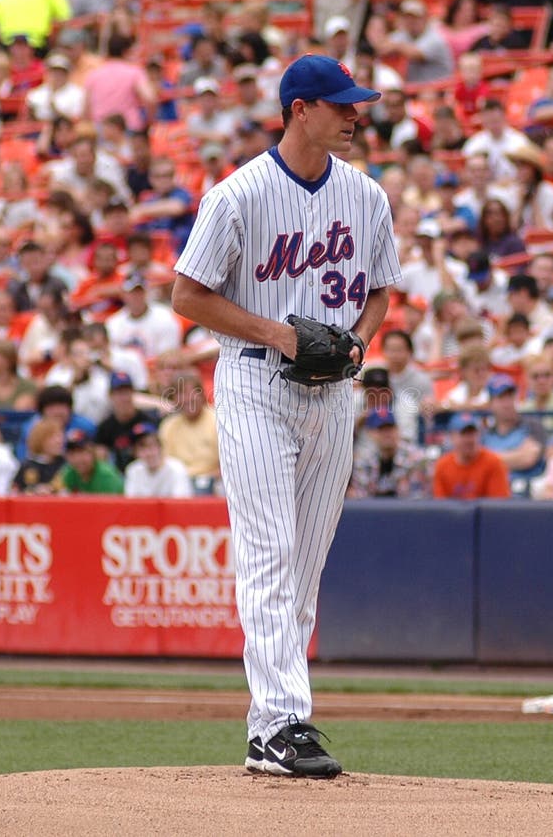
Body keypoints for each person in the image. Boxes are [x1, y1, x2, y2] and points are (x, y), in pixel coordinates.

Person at [171, 55, 401, 778]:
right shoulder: (238, 195)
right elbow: (187, 296)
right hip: (253, 384)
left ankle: (269, 726)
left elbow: (382, 290)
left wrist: (359, 339)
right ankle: (281, 724)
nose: (355, 115)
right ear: (301, 108)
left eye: (356, 105)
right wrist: (277, 333)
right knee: (269, 555)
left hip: (334, 394)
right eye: (341, 106)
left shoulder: (367, 197)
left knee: (302, 571)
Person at [481, 374, 546, 494]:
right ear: (490, 403)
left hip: (526, 494)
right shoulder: (484, 435)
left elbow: (528, 459)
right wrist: (516, 455)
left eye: (510, 396)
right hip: (493, 495)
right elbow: (478, 465)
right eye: (501, 398)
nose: (507, 403)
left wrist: (489, 460)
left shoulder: (532, 425)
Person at [347, 408, 429, 499]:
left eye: (390, 428)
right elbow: (359, 498)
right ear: (370, 433)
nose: (387, 434)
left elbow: (418, 498)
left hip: (408, 511)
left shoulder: (416, 458)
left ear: (397, 430)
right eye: (381, 429)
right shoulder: (364, 462)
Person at [432, 411, 511, 499]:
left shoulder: (493, 462)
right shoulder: (442, 466)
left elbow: (498, 506)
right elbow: (441, 507)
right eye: (463, 434)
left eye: (472, 433)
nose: (469, 439)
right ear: (452, 437)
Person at [95, 371, 159, 472]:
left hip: (147, 471)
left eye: (127, 392)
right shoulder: (105, 427)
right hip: (118, 474)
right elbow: (101, 460)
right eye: (119, 393)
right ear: (110, 395)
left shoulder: (148, 420)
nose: (124, 398)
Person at [123, 421, 193, 498]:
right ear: (135, 452)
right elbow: (132, 504)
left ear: (160, 446)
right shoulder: (133, 470)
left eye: (151, 446)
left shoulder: (176, 469)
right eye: (142, 447)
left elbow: (181, 505)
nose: (148, 453)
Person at [60, 427, 124, 494]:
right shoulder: (70, 472)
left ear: (93, 452)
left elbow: (116, 503)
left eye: (82, 452)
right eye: (72, 454)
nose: (77, 459)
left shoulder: (107, 477)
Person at [12, 418, 65, 495]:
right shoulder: (27, 466)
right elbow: (16, 491)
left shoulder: (66, 465)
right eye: (53, 437)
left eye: (60, 436)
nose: (59, 441)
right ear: (40, 439)